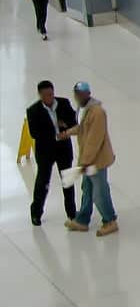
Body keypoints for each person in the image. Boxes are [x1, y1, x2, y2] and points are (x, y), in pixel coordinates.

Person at [61, 81, 117, 236]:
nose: (78, 96)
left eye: (80, 93)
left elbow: (95, 139)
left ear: (87, 94)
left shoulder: (97, 112)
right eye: (76, 93)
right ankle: (82, 220)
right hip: (88, 160)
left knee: (99, 192)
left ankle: (110, 220)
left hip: (96, 161)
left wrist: (85, 162)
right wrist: (66, 133)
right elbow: (82, 128)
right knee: (87, 189)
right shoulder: (83, 109)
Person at [25, 80, 77, 227]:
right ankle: (36, 212)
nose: (50, 97)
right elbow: (35, 133)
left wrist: (65, 126)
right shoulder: (33, 111)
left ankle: (72, 213)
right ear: (40, 95)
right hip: (45, 152)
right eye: (47, 95)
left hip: (63, 150)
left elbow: (73, 121)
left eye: (52, 93)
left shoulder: (64, 103)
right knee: (43, 183)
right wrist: (54, 129)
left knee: (68, 181)